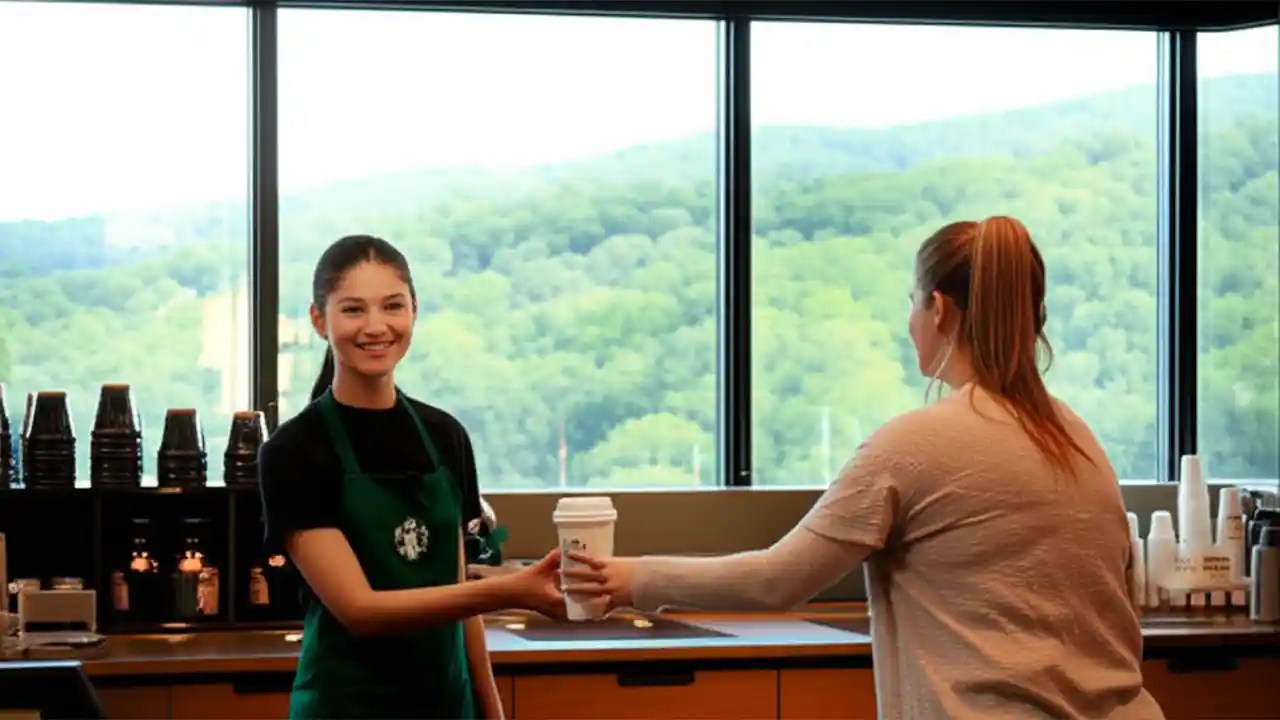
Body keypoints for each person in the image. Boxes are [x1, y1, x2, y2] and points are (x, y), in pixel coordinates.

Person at [562, 216, 1165, 719]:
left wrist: (629, 578)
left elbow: (778, 581)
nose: (910, 322)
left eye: (910, 302)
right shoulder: (1076, 437)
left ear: (937, 310)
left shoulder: (914, 446)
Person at [258, 234, 564, 719]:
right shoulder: (294, 451)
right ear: (320, 321)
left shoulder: (446, 436)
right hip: (347, 707)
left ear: (414, 311)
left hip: (447, 706)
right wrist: (509, 589)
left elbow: (461, 600)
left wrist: (492, 713)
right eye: (353, 310)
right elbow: (361, 611)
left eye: (392, 306)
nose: (375, 327)